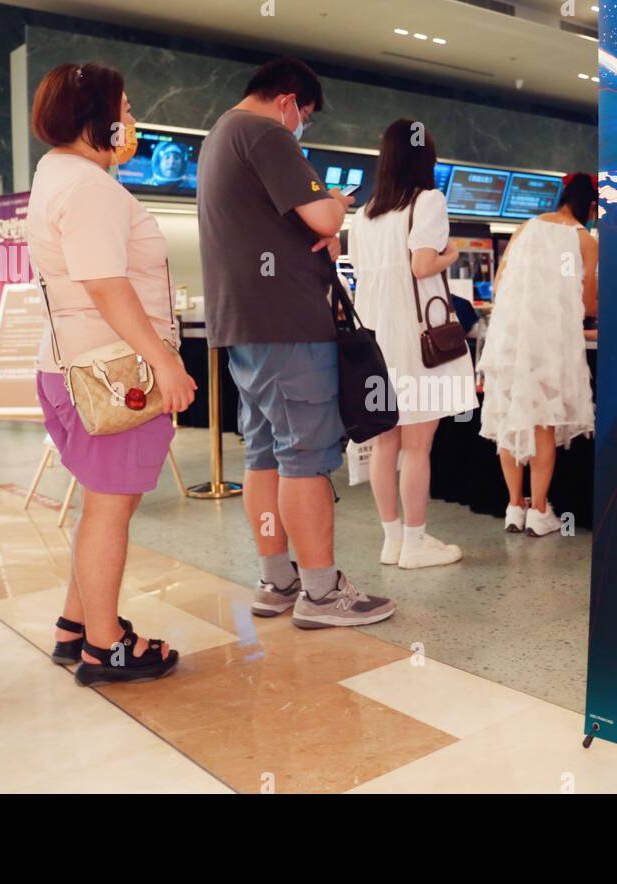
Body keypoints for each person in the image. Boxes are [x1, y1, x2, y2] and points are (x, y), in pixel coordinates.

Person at [197, 57, 395, 627]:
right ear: (289, 101)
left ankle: (277, 579)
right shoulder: (265, 132)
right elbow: (324, 214)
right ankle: (321, 593)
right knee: (305, 459)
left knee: (265, 455)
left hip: (245, 325)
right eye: (305, 115)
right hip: (286, 326)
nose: (301, 126)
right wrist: (334, 212)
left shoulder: (220, 136)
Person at [27, 62, 195, 685]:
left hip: (75, 364)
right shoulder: (89, 187)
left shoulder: (58, 172)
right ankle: (106, 647)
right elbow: (106, 286)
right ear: (93, 115)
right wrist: (165, 361)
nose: (129, 119)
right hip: (113, 373)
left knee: (100, 505)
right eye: (122, 109)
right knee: (109, 510)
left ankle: (77, 625)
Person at [348, 119, 476, 569]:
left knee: (386, 444)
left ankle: (393, 540)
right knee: (417, 446)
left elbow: (361, 275)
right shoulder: (429, 201)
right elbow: (423, 265)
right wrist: (452, 256)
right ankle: (417, 544)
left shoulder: (363, 215)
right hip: (415, 342)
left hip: (376, 343)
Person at [479, 172, 598, 537]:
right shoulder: (582, 239)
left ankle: (515, 506)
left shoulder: (525, 229)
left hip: (509, 340)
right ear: (591, 206)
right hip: (550, 342)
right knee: (543, 420)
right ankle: (540, 510)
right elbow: (587, 300)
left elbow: (499, 283)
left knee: (511, 418)